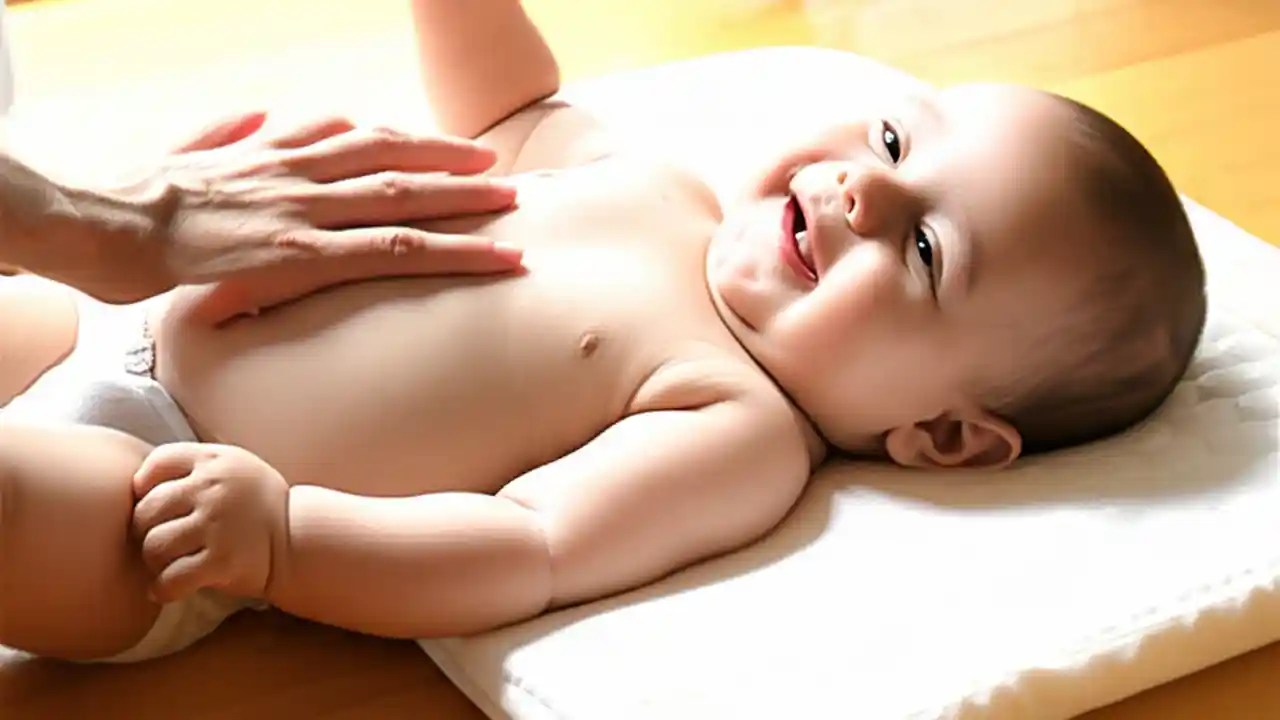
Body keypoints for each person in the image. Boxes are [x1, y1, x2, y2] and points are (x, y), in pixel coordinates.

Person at [0, 0, 1206, 664]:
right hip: (104, 314)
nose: (863, 193)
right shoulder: (660, 185)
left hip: (166, 501)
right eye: (895, 143)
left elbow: (525, 548)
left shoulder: (735, 427)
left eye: (925, 253)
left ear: (940, 434)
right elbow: (511, 108)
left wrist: (284, 537)